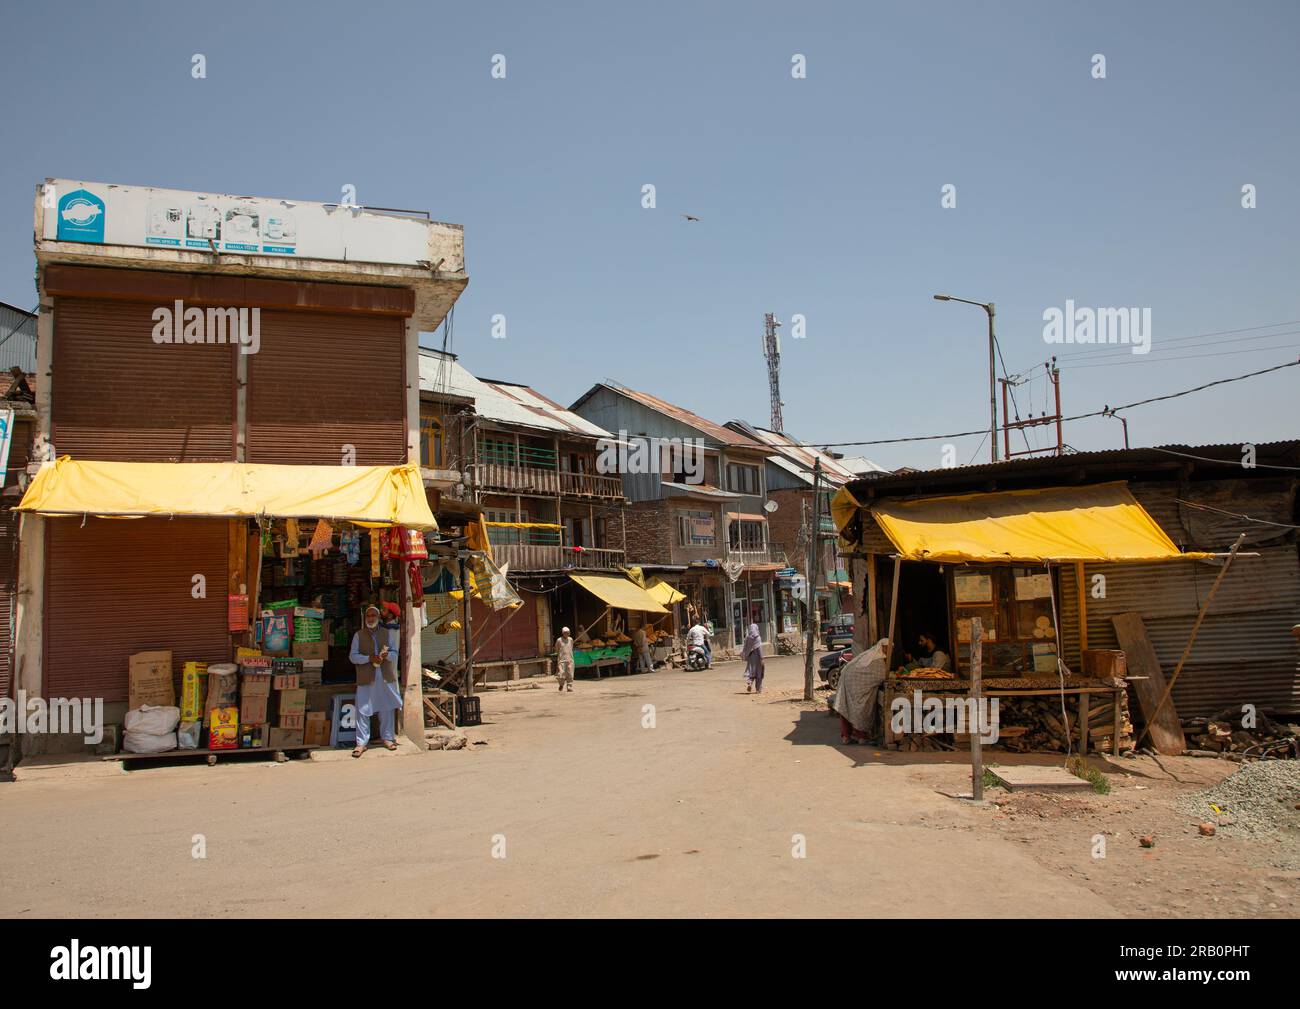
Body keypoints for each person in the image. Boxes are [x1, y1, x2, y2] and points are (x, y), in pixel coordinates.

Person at [349, 603, 401, 757]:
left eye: (373, 615)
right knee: (363, 709)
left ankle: (388, 738)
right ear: (365, 618)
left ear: (378, 617)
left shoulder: (387, 633)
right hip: (366, 676)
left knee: (386, 708)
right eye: (368, 616)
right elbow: (353, 656)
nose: (371, 618)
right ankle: (361, 743)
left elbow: (394, 653)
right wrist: (368, 658)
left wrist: (386, 656)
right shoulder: (359, 635)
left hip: (384, 676)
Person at [835, 638, 890, 744]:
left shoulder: (871, 653)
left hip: (847, 679)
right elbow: (882, 675)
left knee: (847, 707)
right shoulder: (878, 660)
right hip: (855, 683)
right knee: (860, 709)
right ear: (883, 647)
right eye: (889, 648)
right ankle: (861, 737)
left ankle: (846, 736)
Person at [741, 622, 764, 693]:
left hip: (751, 657)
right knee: (758, 673)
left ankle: (750, 682)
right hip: (757, 657)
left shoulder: (748, 638)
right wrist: (762, 658)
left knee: (751, 672)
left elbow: (745, 648)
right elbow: (759, 649)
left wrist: (745, 656)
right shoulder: (758, 638)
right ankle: (758, 689)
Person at [555, 626, 575, 692]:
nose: (566, 634)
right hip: (562, 660)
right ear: (563, 633)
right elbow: (557, 649)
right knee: (561, 674)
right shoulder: (559, 640)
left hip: (570, 659)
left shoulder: (571, 639)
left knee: (570, 673)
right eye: (565, 633)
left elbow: (571, 647)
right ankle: (561, 684)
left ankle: (569, 686)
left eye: (567, 633)